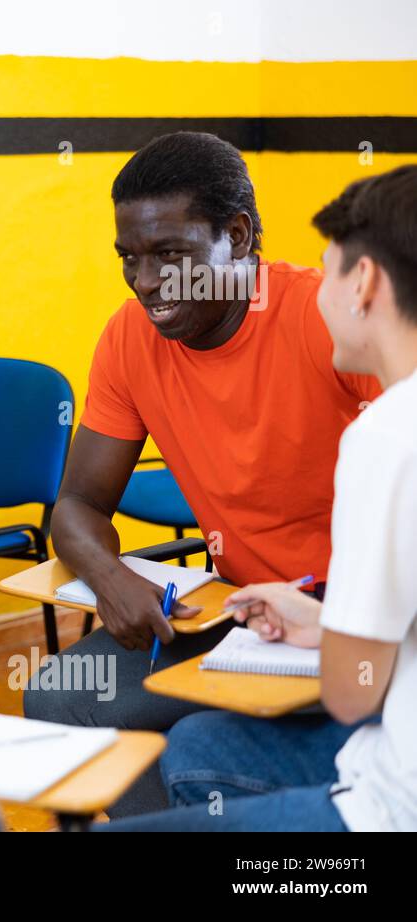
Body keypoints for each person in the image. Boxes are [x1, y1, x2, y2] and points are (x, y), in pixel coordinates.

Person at [24, 132, 380, 814]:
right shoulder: (130, 338)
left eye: (170, 255)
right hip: (233, 606)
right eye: (128, 257)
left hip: (343, 619)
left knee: (201, 740)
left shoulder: (329, 321)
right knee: (61, 696)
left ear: (238, 236)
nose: (145, 281)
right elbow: (75, 503)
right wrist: (112, 579)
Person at [107, 164, 417, 832]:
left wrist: (330, 640)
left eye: (327, 268)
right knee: (196, 745)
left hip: (390, 795)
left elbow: (352, 685)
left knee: (196, 751)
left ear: (362, 283)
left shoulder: (385, 438)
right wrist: (319, 622)